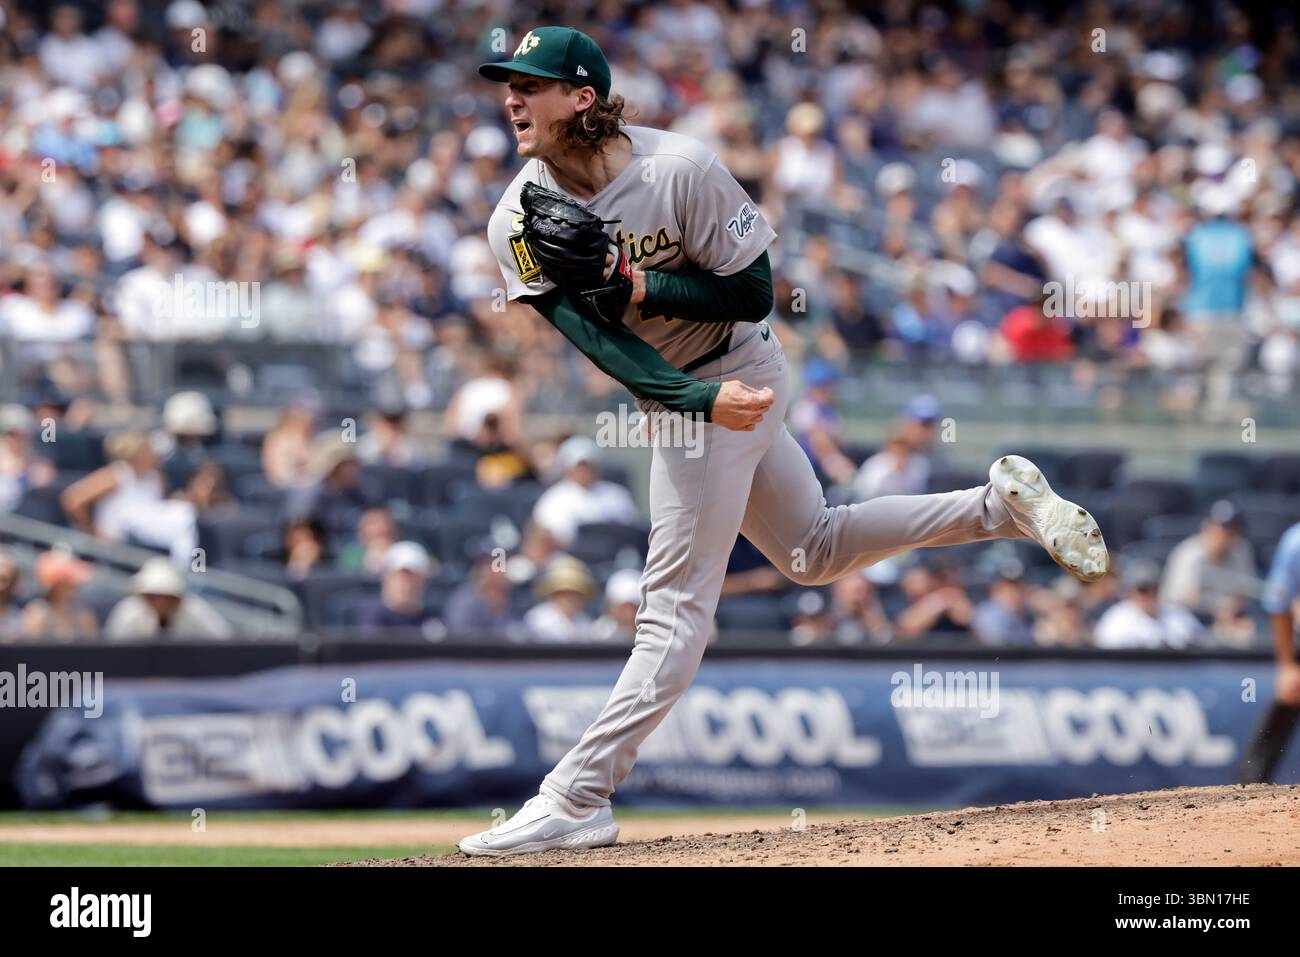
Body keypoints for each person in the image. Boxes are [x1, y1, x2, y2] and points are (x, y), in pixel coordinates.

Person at [461, 26, 1109, 857]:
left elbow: (754, 290)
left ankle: (577, 795)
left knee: (671, 616)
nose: (511, 96)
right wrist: (691, 391)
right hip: (699, 394)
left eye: (531, 83)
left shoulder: (678, 168)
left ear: (582, 97)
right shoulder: (516, 214)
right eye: (507, 82)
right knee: (813, 548)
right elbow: (595, 342)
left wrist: (638, 283)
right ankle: (998, 508)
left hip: (739, 367)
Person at [1238, 520, 1300, 783]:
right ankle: (1250, 788)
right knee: (1286, 700)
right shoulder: (1296, 542)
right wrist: (1286, 666)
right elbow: (1280, 605)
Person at [530, 436, 639, 550]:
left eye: (588, 465)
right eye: (579, 466)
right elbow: (544, 539)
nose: (584, 471)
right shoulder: (553, 499)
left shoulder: (617, 495)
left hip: (616, 559)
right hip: (571, 559)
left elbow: (632, 530)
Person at [1159, 499, 1258, 617]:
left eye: (1232, 531)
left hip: (1229, 618)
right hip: (1186, 619)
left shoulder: (1240, 550)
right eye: (1223, 530)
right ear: (1206, 528)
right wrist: (1221, 606)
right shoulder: (1189, 554)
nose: (1227, 536)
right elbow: (1186, 599)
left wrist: (1230, 609)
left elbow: (1246, 594)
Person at [104, 558, 233, 639]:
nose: (160, 601)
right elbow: (114, 650)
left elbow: (222, 640)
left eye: (165, 596)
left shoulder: (195, 611)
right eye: (153, 596)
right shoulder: (129, 612)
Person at [1093, 560, 1204, 650]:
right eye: (1143, 590)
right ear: (1131, 591)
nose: (1149, 594)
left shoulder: (1179, 615)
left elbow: (1202, 644)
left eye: (1153, 588)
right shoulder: (1116, 619)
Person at [356, 541, 437, 631]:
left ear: (423, 580)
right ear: (386, 578)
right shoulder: (371, 620)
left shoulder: (433, 624)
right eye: (399, 576)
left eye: (412, 576)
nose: (405, 584)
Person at [19, 550, 98, 640]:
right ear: (56, 587)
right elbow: (32, 648)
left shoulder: (84, 614)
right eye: (68, 584)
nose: (75, 587)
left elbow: (91, 647)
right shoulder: (37, 612)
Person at [521, 554, 597, 643]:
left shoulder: (587, 622)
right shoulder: (537, 620)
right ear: (554, 594)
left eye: (576, 594)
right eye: (564, 593)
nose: (571, 599)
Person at [971, 558, 1035, 647]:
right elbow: (994, 641)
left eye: (1019, 587)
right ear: (995, 589)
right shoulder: (985, 613)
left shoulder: (1026, 616)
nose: (1015, 593)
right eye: (1008, 588)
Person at [591, 567, 641, 643]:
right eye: (623, 608)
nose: (629, 614)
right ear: (611, 607)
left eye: (634, 607)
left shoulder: (652, 632)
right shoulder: (599, 634)